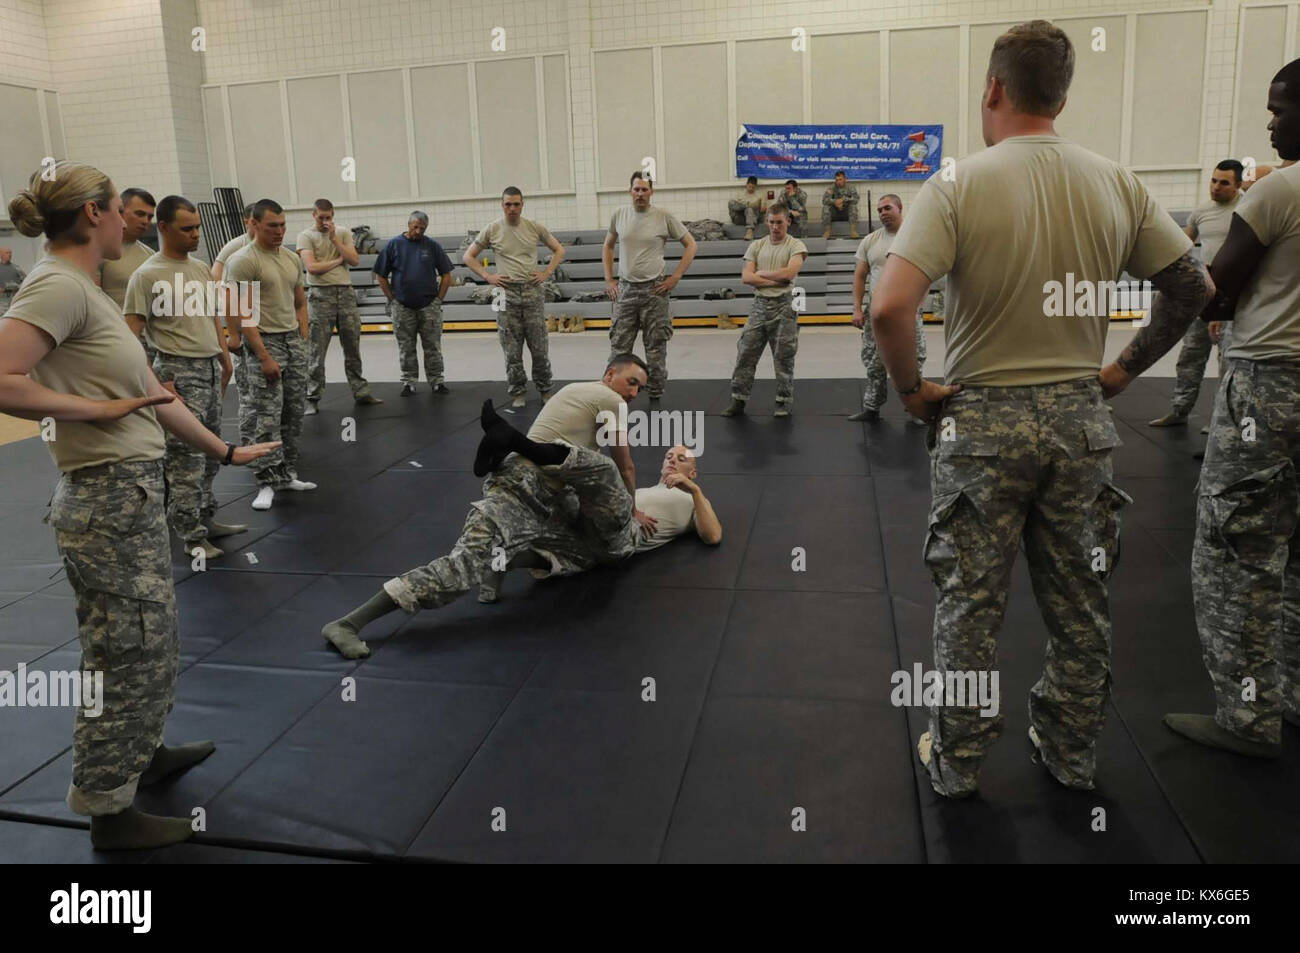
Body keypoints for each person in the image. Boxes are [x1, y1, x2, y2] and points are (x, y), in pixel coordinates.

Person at [870, 20, 1212, 797]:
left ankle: (956, 762)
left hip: (980, 423)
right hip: (1079, 424)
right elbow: (1194, 288)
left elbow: (891, 309)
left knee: (968, 606)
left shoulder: (956, 184)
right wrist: (1123, 370)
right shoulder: (1116, 181)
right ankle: (1069, 752)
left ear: (994, 88)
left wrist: (911, 389)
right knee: (1082, 603)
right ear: (1062, 93)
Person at [0, 161, 277, 850]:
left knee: (149, 643)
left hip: (127, 492)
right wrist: (96, 408)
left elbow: (153, 389)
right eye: (121, 210)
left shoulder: (87, 287)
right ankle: (109, 811)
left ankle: (140, 753)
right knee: (124, 651)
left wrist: (223, 450)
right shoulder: (56, 285)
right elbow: (3, 376)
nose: (134, 222)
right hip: (103, 498)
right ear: (96, 214)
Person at [321, 355, 660, 659]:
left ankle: (503, 560)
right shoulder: (612, 401)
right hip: (523, 486)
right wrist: (632, 510)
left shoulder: (573, 390)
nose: (633, 393)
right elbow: (626, 465)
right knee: (459, 569)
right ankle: (346, 624)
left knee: (583, 552)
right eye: (631, 382)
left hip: (541, 487)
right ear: (609, 374)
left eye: (640, 389)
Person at [1164, 60, 1300, 757]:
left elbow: (1216, 293)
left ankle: (1247, 716)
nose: (1271, 123)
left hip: (1273, 383)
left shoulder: (1278, 191)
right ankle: (1294, 693)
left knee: (1237, 545)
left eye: (1280, 109)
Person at [123, 194, 243, 560]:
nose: (195, 235)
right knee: (185, 460)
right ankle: (190, 535)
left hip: (208, 368)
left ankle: (206, 519)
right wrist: (158, 382)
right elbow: (130, 338)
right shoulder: (146, 276)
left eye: (197, 228)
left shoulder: (201, 268)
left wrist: (224, 361)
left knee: (210, 453)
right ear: (163, 228)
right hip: (176, 370)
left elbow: (210, 318)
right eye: (186, 229)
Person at [225, 199, 316, 511]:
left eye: (282, 225)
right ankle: (265, 481)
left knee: (293, 413)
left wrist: (302, 335)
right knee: (266, 417)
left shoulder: (290, 258)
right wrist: (263, 355)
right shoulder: (244, 260)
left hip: (292, 341)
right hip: (264, 342)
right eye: (271, 226)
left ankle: (286, 473)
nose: (279, 231)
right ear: (254, 224)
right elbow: (244, 311)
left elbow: (300, 301)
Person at [1149, 160, 1244, 428]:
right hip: (1204, 295)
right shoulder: (1202, 211)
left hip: (1232, 298)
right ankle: (1180, 411)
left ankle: (1221, 421)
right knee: (1191, 354)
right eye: (1213, 180)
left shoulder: (1248, 209)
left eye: (1224, 183)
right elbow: (1182, 245)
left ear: (1237, 185)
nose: (1216, 187)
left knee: (1227, 361)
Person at [464, 189, 564, 407]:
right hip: (503, 292)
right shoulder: (492, 229)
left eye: (516, 204)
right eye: (508, 204)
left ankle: (545, 389)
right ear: (502, 205)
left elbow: (559, 250)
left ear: (522, 205)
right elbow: (468, 256)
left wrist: (546, 273)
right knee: (510, 347)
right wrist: (487, 276)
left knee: (539, 346)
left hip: (532, 290)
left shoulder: (534, 227)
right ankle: (518, 392)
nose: (512, 208)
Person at [603, 171, 698, 402]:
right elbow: (608, 246)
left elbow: (691, 245)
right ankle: (613, 395)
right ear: (630, 191)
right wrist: (609, 279)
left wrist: (675, 277)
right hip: (626, 290)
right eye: (636, 189)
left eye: (645, 189)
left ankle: (655, 395)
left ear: (651, 192)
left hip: (654, 291)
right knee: (619, 348)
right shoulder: (619, 215)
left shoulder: (663, 217)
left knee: (655, 348)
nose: (640, 194)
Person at [847, 194, 928, 423]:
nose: (883, 212)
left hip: (907, 309)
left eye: (887, 208)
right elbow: (860, 276)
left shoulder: (915, 238)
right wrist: (857, 308)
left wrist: (918, 304)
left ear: (900, 208)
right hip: (877, 312)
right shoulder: (870, 240)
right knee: (874, 360)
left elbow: (927, 272)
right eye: (880, 209)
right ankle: (872, 408)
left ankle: (915, 409)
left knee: (915, 359)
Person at [296, 198, 380, 413]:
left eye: (329, 217)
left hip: (345, 292)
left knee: (352, 345)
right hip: (320, 295)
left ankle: (361, 391)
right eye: (322, 217)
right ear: (313, 214)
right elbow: (312, 268)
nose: (326, 221)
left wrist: (334, 240)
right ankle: (312, 397)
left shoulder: (342, 233)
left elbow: (353, 260)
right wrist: (336, 261)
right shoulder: (305, 236)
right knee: (317, 349)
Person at [723, 205, 807, 418]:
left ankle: (783, 401)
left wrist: (761, 274)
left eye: (779, 222)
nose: (775, 226)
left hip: (786, 305)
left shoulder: (796, 245)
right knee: (746, 352)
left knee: (784, 356)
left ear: (788, 221)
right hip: (759, 305)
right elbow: (746, 277)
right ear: (767, 222)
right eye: (771, 222)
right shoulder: (757, 246)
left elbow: (789, 274)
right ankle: (738, 399)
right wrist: (773, 278)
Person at [374, 211, 455, 397]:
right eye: (415, 227)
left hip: (429, 306)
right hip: (402, 307)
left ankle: (437, 381)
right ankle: (409, 382)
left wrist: (438, 300)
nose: (418, 231)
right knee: (406, 346)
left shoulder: (432, 246)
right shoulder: (394, 245)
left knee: (433, 345)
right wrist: (392, 300)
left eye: (422, 228)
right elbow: (380, 275)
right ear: (408, 225)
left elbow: (447, 274)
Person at [212, 204, 257, 445]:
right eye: (253, 222)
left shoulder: (272, 248)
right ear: (247, 222)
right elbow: (215, 276)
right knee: (248, 390)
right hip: (243, 323)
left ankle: (273, 441)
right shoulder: (235, 247)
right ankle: (249, 441)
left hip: (266, 326)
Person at [99, 187, 156, 363]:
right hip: (115, 341)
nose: (145, 221)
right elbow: (92, 301)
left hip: (150, 342)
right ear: (120, 212)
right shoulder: (101, 252)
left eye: (149, 216)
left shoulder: (150, 255)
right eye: (139, 214)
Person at [821, 171, 859, 239]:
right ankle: (827, 231)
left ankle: (853, 231)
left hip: (846, 213)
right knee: (826, 207)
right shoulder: (831, 187)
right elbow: (824, 200)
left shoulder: (850, 187)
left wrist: (843, 200)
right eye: (837, 180)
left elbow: (856, 199)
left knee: (853, 206)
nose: (838, 182)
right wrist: (835, 201)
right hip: (835, 213)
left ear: (845, 179)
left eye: (840, 179)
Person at [728, 176, 767, 240]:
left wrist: (762, 207)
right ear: (746, 185)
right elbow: (734, 206)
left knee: (749, 209)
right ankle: (747, 205)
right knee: (731, 202)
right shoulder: (740, 194)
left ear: (755, 186)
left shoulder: (761, 194)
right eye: (749, 187)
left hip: (754, 218)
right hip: (740, 218)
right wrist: (745, 206)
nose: (751, 189)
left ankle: (749, 232)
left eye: (753, 187)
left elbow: (763, 210)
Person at [0, 247, 26, 311]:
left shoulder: (17, 268)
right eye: (7, 253)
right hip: (2, 300)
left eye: (10, 253)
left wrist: (17, 288)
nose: (9, 255)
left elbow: (26, 281)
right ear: (1, 255)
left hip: (14, 299)